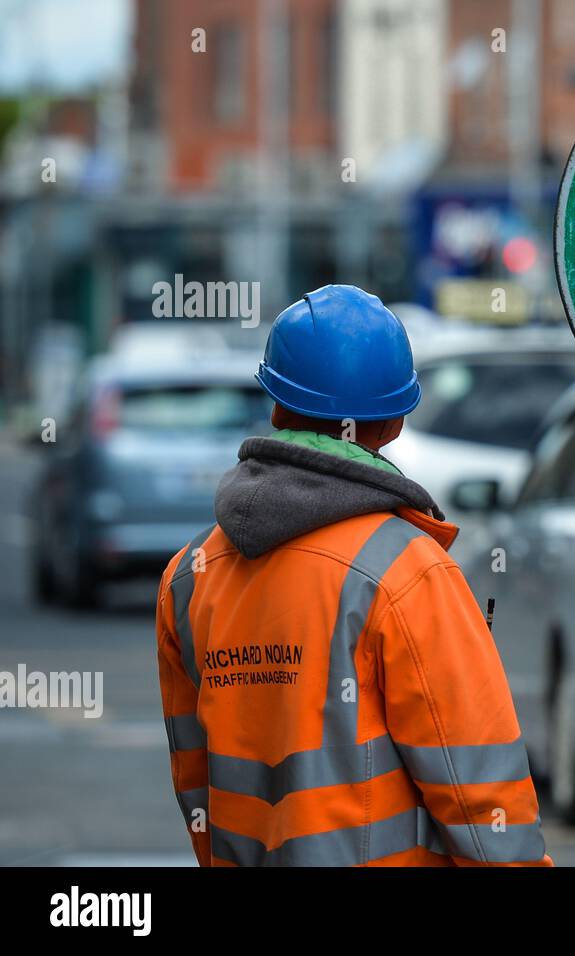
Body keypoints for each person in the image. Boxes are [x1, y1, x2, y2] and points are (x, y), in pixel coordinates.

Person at [155, 284, 551, 866]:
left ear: (274, 402)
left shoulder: (190, 578)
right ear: (393, 423)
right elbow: (480, 795)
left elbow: (197, 787)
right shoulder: (407, 573)